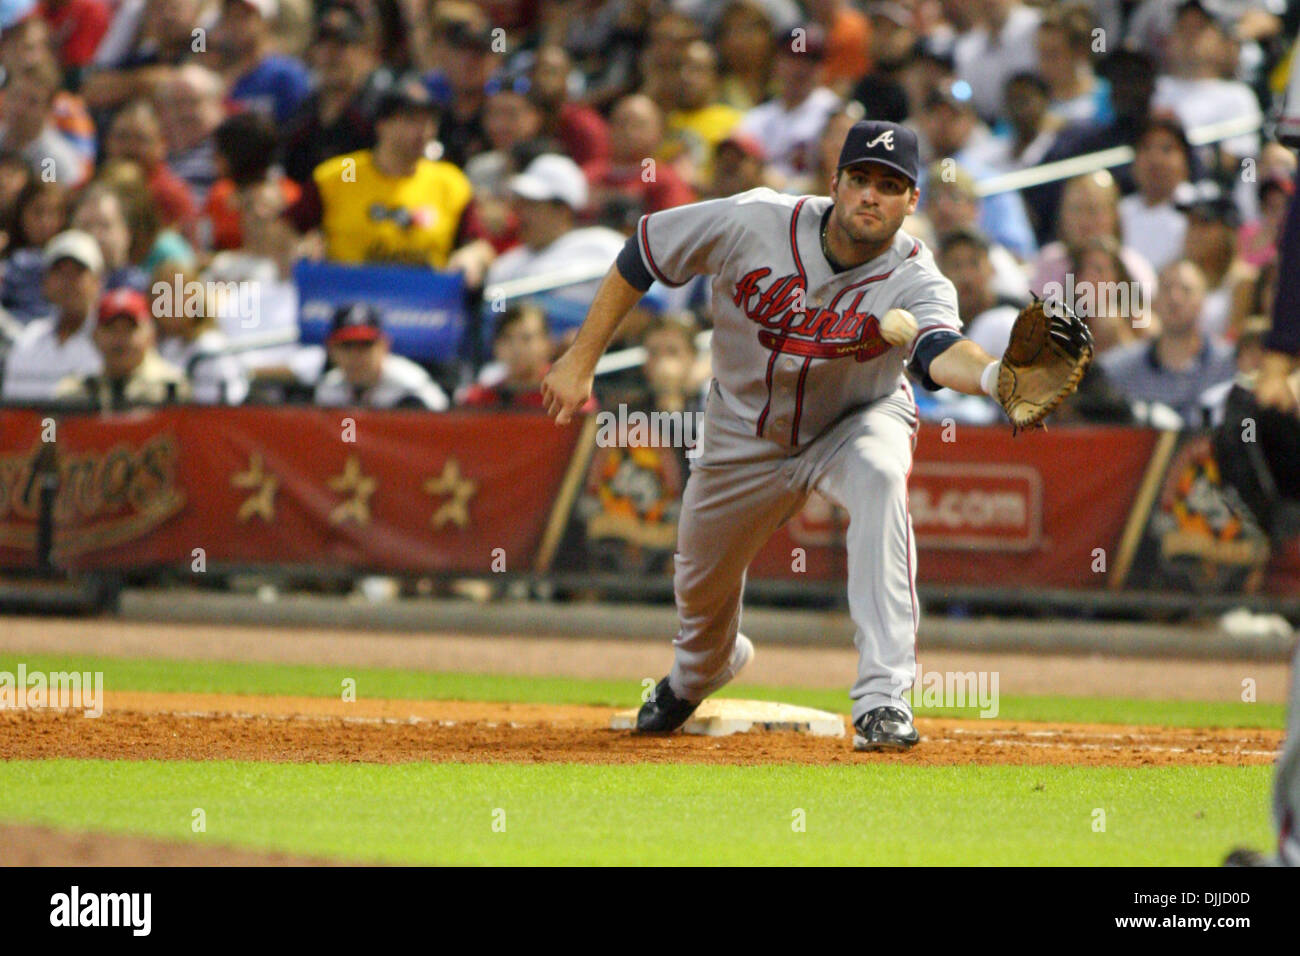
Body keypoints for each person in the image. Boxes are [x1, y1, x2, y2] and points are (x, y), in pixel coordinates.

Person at [541, 120, 1017, 750]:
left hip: (856, 420)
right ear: (836, 183)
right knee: (700, 585)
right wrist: (581, 357)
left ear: (912, 202)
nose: (871, 195)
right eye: (861, 180)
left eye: (890, 185)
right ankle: (698, 671)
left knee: (880, 480)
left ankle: (884, 698)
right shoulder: (755, 220)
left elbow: (937, 351)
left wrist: (992, 377)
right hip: (740, 430)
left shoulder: (918, 277)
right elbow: (645, 251)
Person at [286, 79, 473, 268]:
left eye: (429, 121)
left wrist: (473, 256)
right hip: (349, 291)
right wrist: (299, 247)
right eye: (411, 120)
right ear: (382, 124)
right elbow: (286, 229)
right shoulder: (341, 174)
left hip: (424, 293)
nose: (423, 130)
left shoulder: (450, 182)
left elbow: (477, 242)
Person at [1100, 259, 1235, 428]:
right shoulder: (1118, 369)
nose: (1174, 298)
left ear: (1202, 302)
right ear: (1154, 302)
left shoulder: (1231, 365)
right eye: (1166, 288)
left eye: (1186, 290)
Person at [1, 228, 102, 400]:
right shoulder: (29, 339)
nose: (67, 282)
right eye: (59, 272)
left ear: (97, 281)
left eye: (78, 272)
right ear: (45, 281)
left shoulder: (109, 339)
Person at [54, 286, 190, 408]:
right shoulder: (76, 391)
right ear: (95, 336)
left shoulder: (171, 388)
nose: (120, 339)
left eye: (130, 329)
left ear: (150, 334)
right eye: (111, 329)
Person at [313, 303, 449, 409]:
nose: (355, 355)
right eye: (346, 346)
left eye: (365, 345)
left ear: (384, 347)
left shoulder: (411, 385)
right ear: (331, 350)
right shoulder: (328, 388)